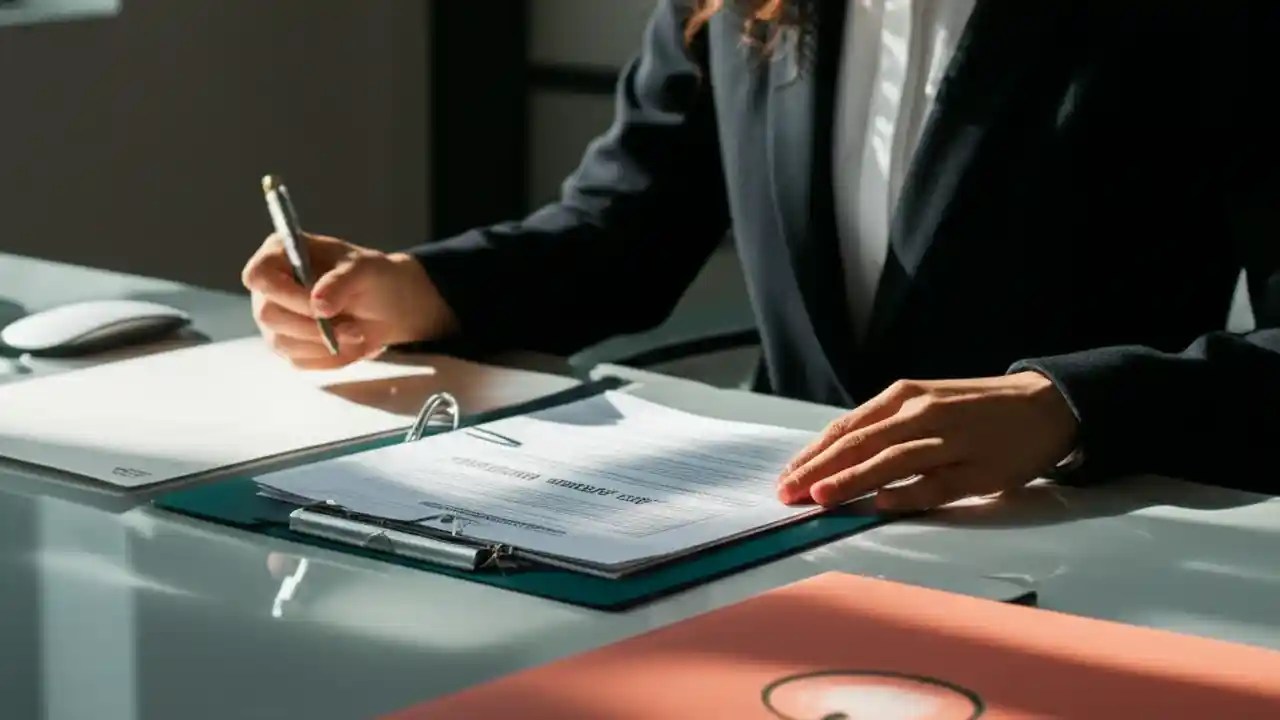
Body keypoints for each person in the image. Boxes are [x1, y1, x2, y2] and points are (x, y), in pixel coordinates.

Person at [242, 0, 1280, 511]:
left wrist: (1068, 406)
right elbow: (620, 232)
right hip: (765, 527)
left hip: (1081, 542)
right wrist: (420, 290)